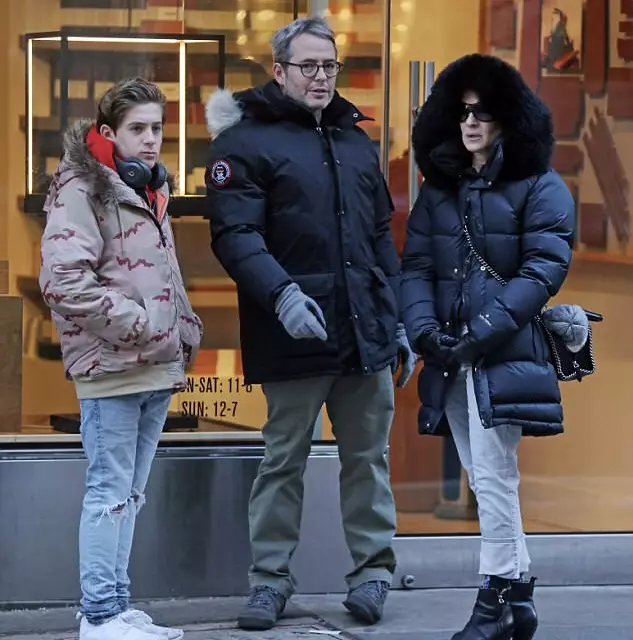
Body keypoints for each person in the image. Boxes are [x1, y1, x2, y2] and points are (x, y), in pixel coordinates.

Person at [205, 16, 415, 632]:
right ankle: (269, 581)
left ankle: (373, 575)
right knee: (283, 461)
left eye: (329, 66)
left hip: (364, 331)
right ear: (280, 71)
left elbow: (379, 235)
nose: (322, 77)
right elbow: (235, 235)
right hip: (294, 330)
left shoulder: (355, 141)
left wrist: (396, 317)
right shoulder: (243, 143)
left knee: (367, 460)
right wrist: (284, 296)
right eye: (309, 67)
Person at [401, 54, 575, 640]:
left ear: (508, 119)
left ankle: (494, 596)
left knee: (495, 476)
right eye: (463, 112)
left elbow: (544, 267)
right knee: (485, 475)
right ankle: (520, 596)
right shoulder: (441, 187)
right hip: (449, 352)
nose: (471, 122)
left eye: (484, 112)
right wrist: (428, 333)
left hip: (499, 351)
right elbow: (417, 265)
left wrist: (482, 333)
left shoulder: (540, 185)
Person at [39, 77, 203, 640]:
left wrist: (181, 326)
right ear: (108, 133)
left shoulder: (151, 188)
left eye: (157, 128)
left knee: (130, 493)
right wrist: (144, 325)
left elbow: (160, 274)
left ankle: (117, 605)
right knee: (109, 492)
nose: (152, 140)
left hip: (155, 361)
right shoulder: (81, 188)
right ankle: (99, 614)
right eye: (138, 129)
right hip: (113, 367)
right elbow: (63, 282)